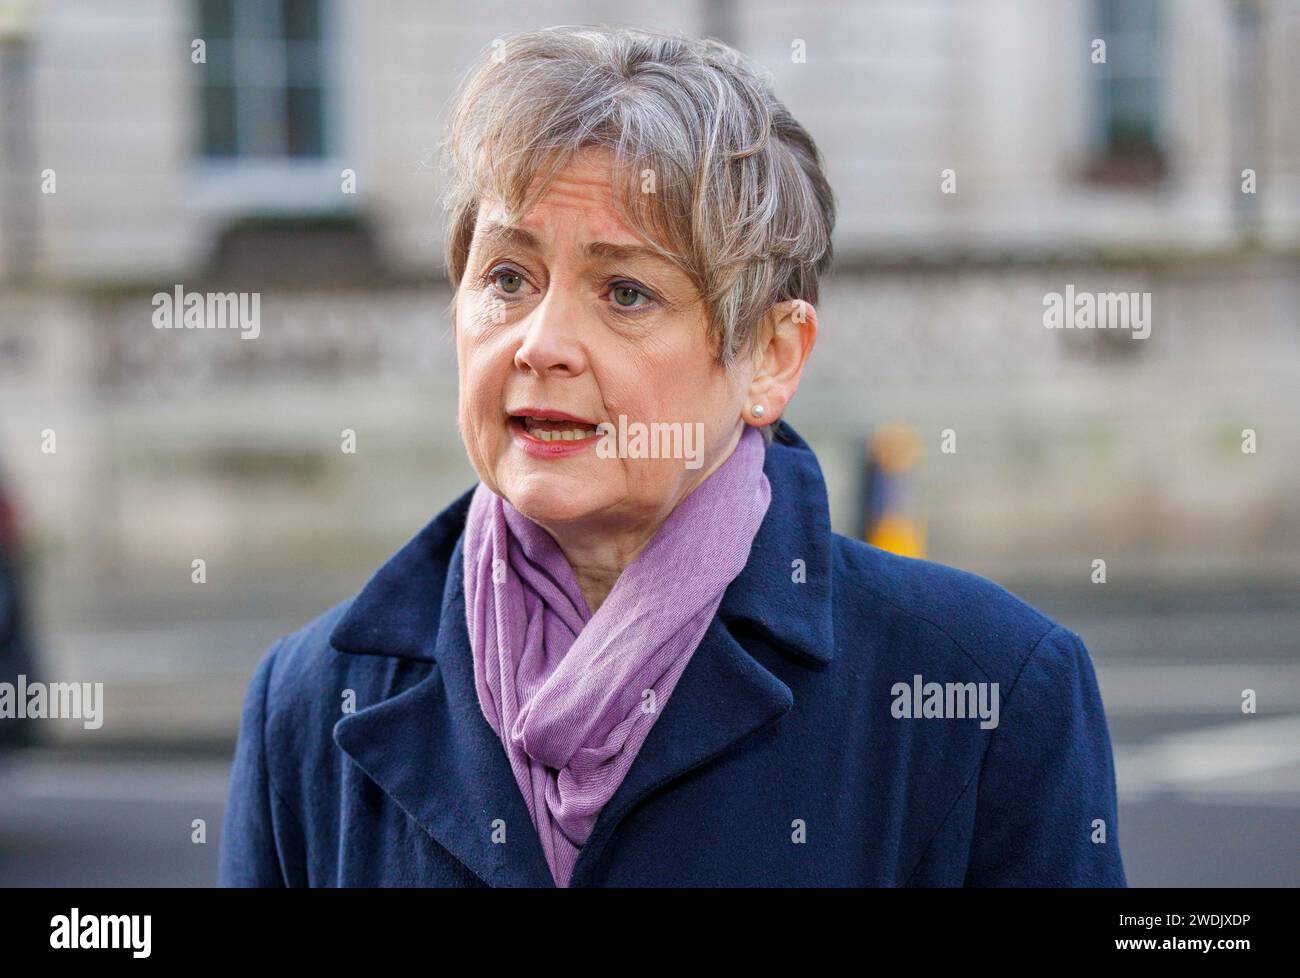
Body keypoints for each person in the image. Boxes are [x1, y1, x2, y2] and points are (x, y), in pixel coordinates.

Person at [218, 25, 1125, 887]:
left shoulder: (987, 689)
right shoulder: (307, 701)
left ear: (771, 358)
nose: (542, 344)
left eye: (625, 291)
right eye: (508, 277)